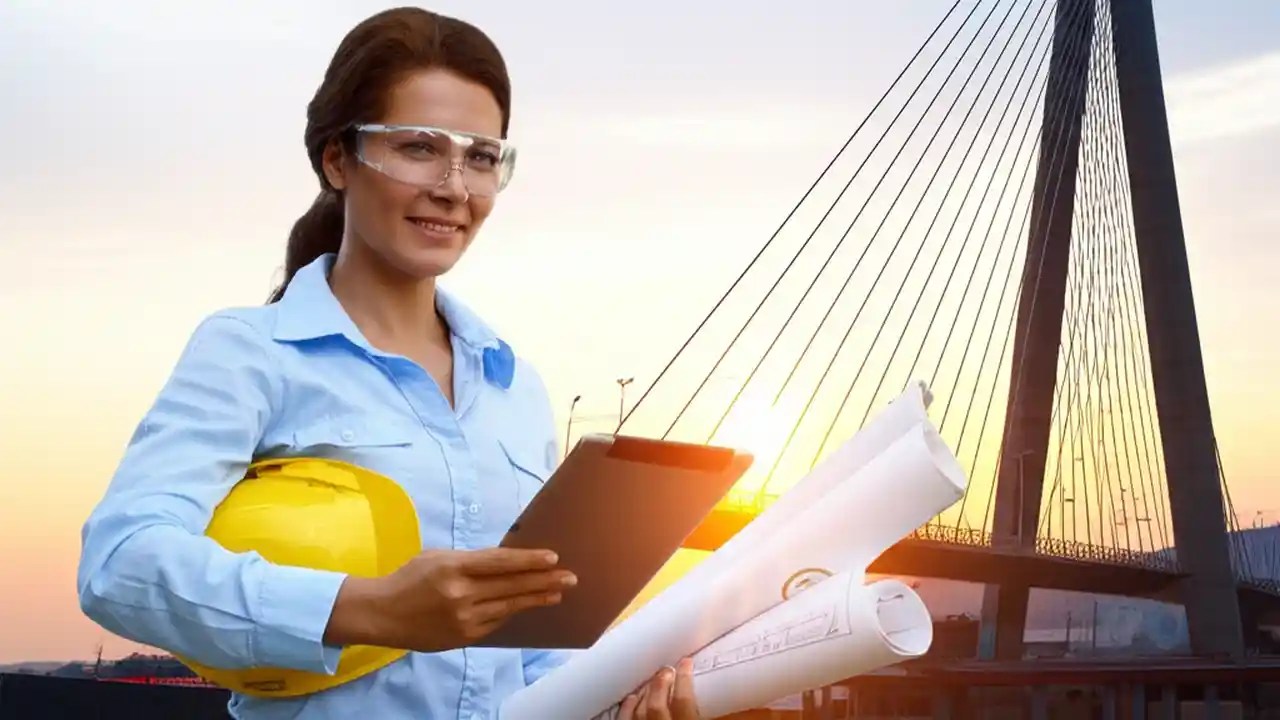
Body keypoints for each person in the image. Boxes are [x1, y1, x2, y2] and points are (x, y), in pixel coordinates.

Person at [76, 7, 702, 719]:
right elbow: (119, 565)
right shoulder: (252, 353)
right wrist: (372, 609)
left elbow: (534, 654)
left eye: (482, 157)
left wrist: (616, 703)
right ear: (336, 159)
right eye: (418, 149)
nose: (456, 187)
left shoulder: (514, 386)